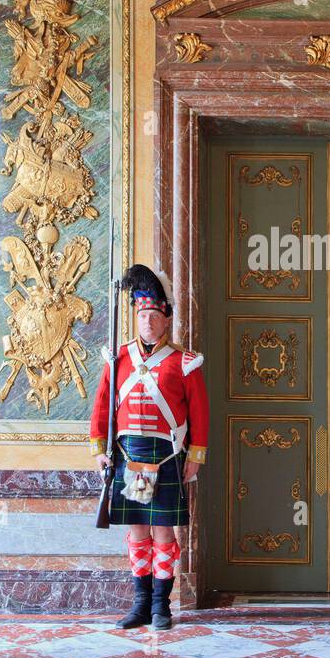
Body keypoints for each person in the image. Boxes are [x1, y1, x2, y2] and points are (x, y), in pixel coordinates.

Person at [89, 265, 208, 631]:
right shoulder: (118, 358)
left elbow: (200, 415)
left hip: (169, 455)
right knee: (138, 531)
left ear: (166, 319)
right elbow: (102, 406)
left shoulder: (184, 362)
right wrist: (99, 449)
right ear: (136, 317)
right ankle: (140, 603)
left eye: (155, 315)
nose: (148, 322)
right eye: (142, 315)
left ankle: (162, 606)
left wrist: (196, 455)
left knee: (163, 532)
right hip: (128, 456)